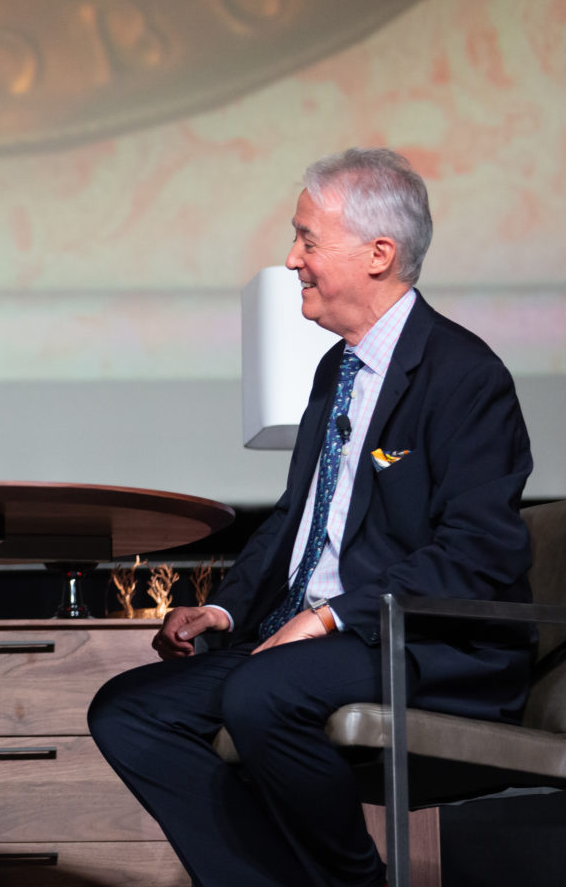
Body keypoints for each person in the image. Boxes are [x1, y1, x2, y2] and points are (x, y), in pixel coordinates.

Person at [88, 148, 533, 887]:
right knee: (128, 710)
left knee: (263, 693)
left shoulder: (464, 375)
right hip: (316, 647)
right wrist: (228, 611)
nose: (292, 259)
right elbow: (301, 519)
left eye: (307, 240)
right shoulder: (338, 369)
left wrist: (327, 620)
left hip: (416, 641)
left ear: (378, 255)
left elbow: (476, 552)